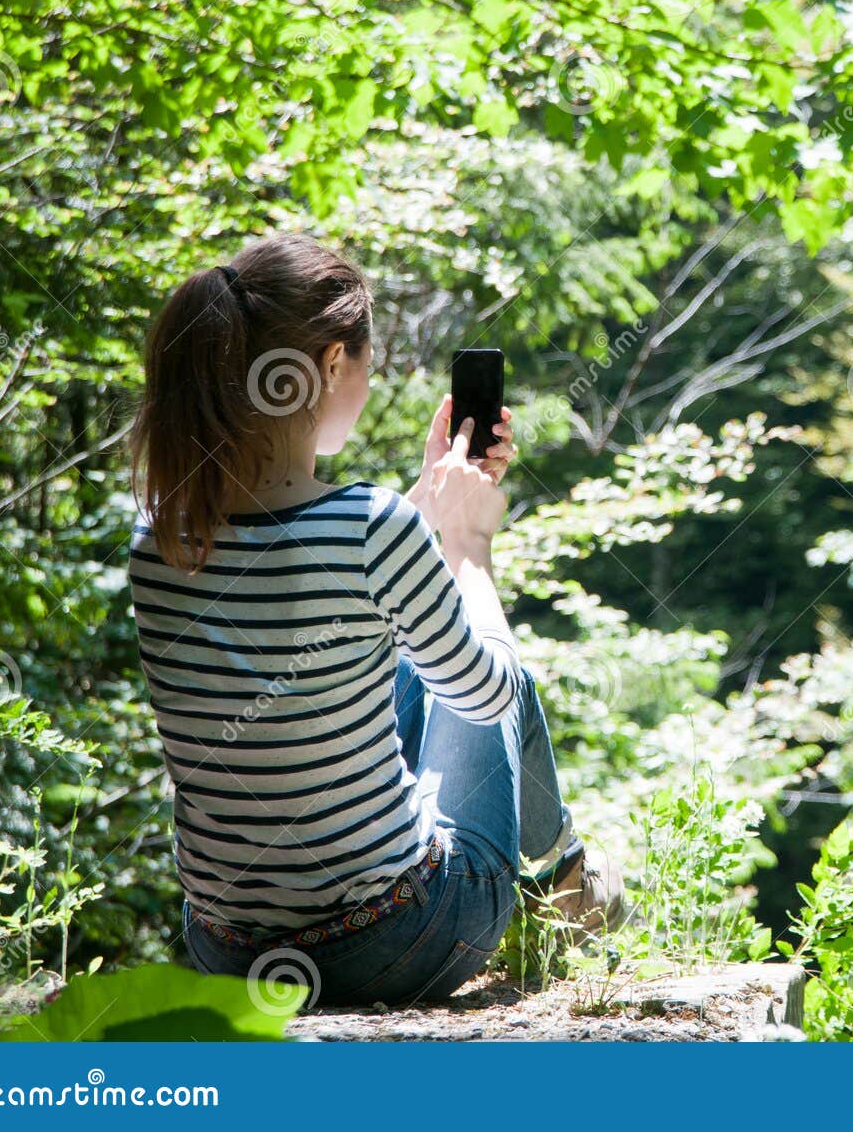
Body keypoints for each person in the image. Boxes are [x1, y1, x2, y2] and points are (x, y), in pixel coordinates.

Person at [127, 233, 623, 1006]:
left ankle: (567, 876)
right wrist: (466, 544)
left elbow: (317, 616)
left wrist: (422, 506)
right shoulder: (370, 526)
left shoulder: (158, 537)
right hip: (395, 942)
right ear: (329, 365)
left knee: (404, 659)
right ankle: (570, 880)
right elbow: (485, 697)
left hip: (225, 947)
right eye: (365, 361)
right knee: (504, 674)